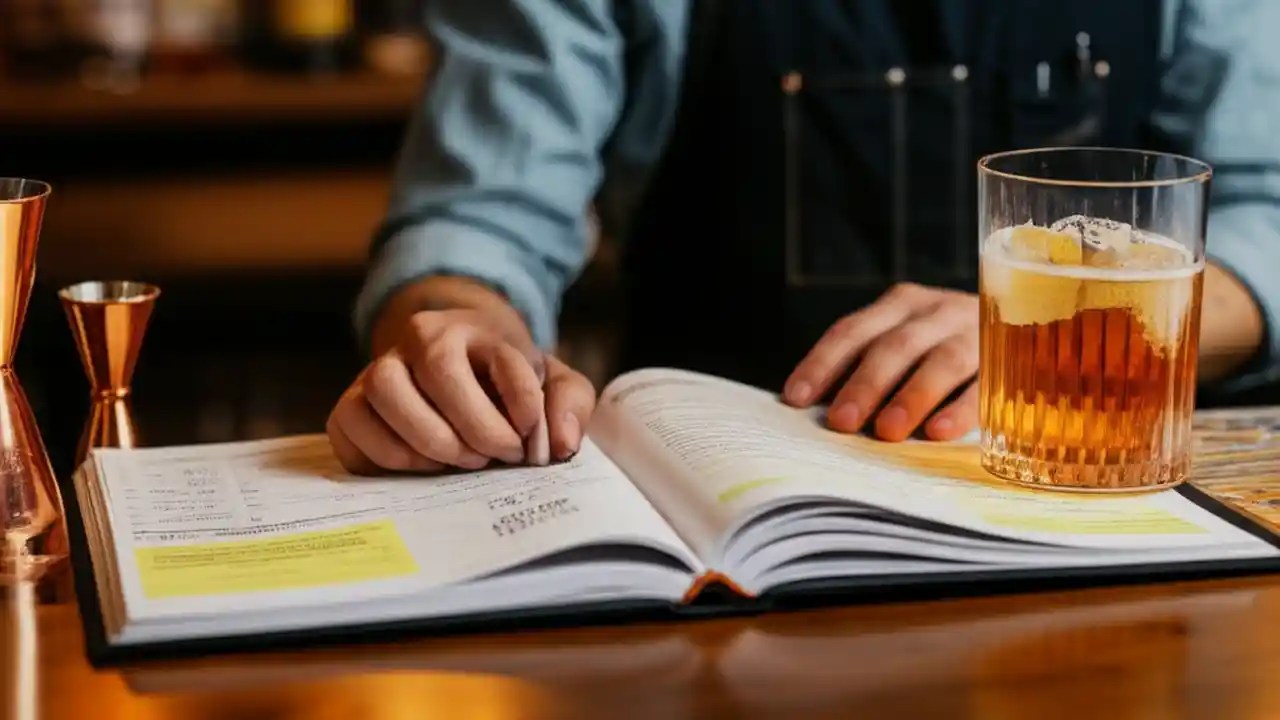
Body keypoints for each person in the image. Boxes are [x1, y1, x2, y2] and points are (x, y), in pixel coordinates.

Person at [327, 0, 1280, 475]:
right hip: (717, 548)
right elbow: (478, 220)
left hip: (1090, 495)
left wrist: (1088, 327)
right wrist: (450, 329)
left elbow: (1266, 212)